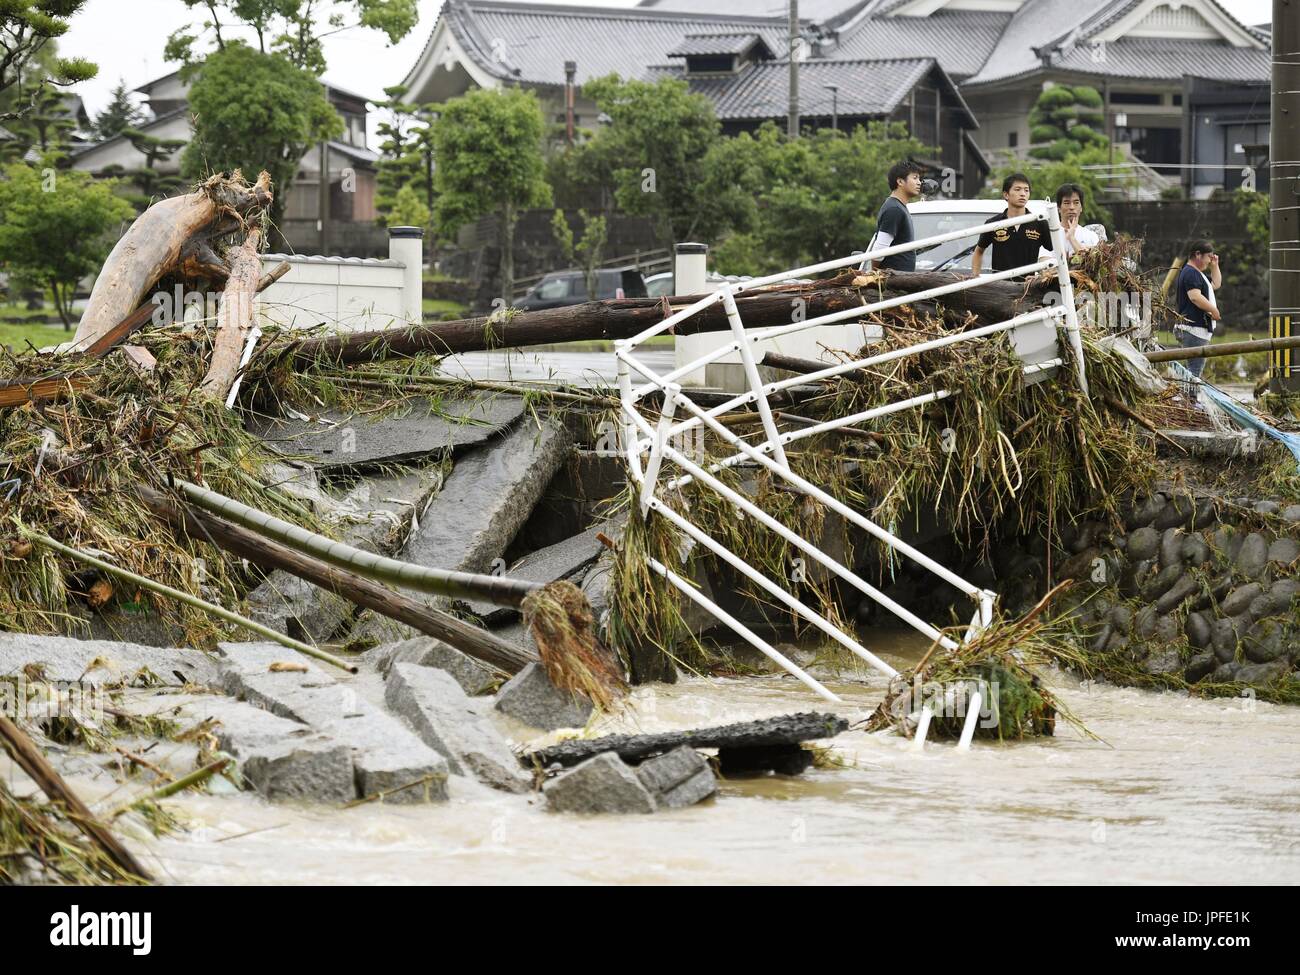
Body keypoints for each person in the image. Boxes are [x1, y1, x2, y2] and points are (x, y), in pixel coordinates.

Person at [970, 172, 1051, 277]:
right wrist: (975, 277)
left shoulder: (1039, 223)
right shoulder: (993, 223)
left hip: (1029, 287)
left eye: (1026, 190)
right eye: (1017, 189)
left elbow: (1053, 250)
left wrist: (1043, 275)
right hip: (1000, 286)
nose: (1023, 194)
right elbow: (979, 251)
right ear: (1006, 194)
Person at [1172, 240, 1222, 395]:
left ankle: (1188, 400)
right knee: (1194, 372)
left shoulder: (1196, 274)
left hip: (1194, 329)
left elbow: (1215, 284)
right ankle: (1191, 403)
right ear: (1197, 254)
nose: (1209, 260)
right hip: (1193, 329)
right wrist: (1214, 310)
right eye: (1208, 257)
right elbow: (1194, 297)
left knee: (1192, 371)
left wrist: (1215, 266)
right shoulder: (1191, 273)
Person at [868, 160, 923, 272]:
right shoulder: (894, 209)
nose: (919, 182)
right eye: (915, 178)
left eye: (919, 179)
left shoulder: (899, 207)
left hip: (901, 280)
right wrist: (874, 274)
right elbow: (879, 250)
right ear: (900, 181)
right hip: (893, 283)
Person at [1040, 182, 1100, 260]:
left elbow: (1093, 265)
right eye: (1066, 203)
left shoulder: (1091, 236)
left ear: (1081, 207)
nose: (1071, 207)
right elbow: (1046, 267)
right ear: (1058, 208)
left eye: (1076, 203)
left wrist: (1072, 238)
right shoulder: (1048, 235)